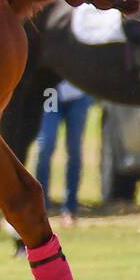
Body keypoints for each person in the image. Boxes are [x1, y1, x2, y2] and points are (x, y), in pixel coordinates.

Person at [35, 79, 92, 226]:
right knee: (45, 146)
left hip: (78, 92)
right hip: (51, 93)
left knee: (74, 149)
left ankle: (70, 209)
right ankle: (41, 207)